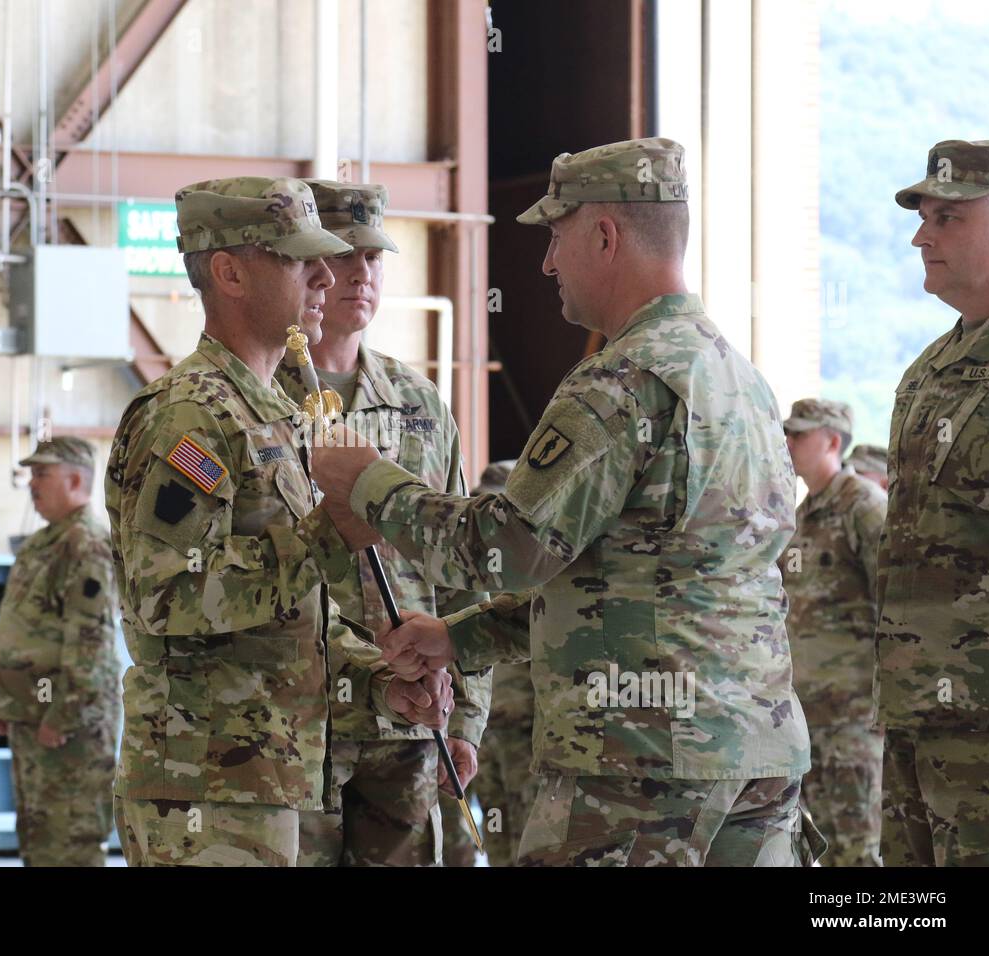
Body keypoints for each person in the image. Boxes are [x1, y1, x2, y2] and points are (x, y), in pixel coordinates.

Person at [313, 138, 816, 866]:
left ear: (605, 236)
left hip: (641, 759)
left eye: (557, 236)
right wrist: (464, 639)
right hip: (756, 751)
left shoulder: (618, 382)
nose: (548, 262)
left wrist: (367, 481)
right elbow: (642, 575)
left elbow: (505, 549)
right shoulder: (737, 378)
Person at [104, 176, 454, 866]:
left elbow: (289, 624)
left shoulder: (269, 412)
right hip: (204, 787)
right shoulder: (189, 416)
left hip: (264, 777)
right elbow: (164, 593)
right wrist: (329, 534)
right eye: (299, 259)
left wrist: (380, 678)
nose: (327, 275)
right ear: (231, 272)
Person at [276, 179, 491, 867]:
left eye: (373, 258)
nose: (360, 275)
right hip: (295, 720)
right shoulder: (257, 394)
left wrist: (470, 718)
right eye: (343, 255)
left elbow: (463, 566)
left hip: (407, 723)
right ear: (305, 267)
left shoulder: (418, 403)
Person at [877, 139, 989, 866]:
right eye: (923, 216)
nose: (922, 235)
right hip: (919, 718)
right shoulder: (930, 369)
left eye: (948, 217)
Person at [0, 437, 120, 866]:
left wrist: (63, 714)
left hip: (66, 726)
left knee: (69, 843)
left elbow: (91, 643)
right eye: (32, 474)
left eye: (43, 474)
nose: (32, 484)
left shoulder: (86, 545)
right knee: (39, 839)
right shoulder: (47, 542)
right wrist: (0, 702)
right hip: (32, 714)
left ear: (76, 480)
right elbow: (22, 632)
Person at [782, 399, 887, 866]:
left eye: (799, 434)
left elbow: (895, 603)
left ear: (832, 441)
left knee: (858, 846)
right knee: (818, 842)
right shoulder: (803, 517)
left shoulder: (862, 505)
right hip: (809, 715)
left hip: (854, 716)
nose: (788, 442)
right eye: (786, 432)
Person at [457, 461, 535, 867]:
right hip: (489, 733)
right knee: (498, 838)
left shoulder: (535, 567)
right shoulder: (476, 574)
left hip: (529, 735)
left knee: (532, 841)